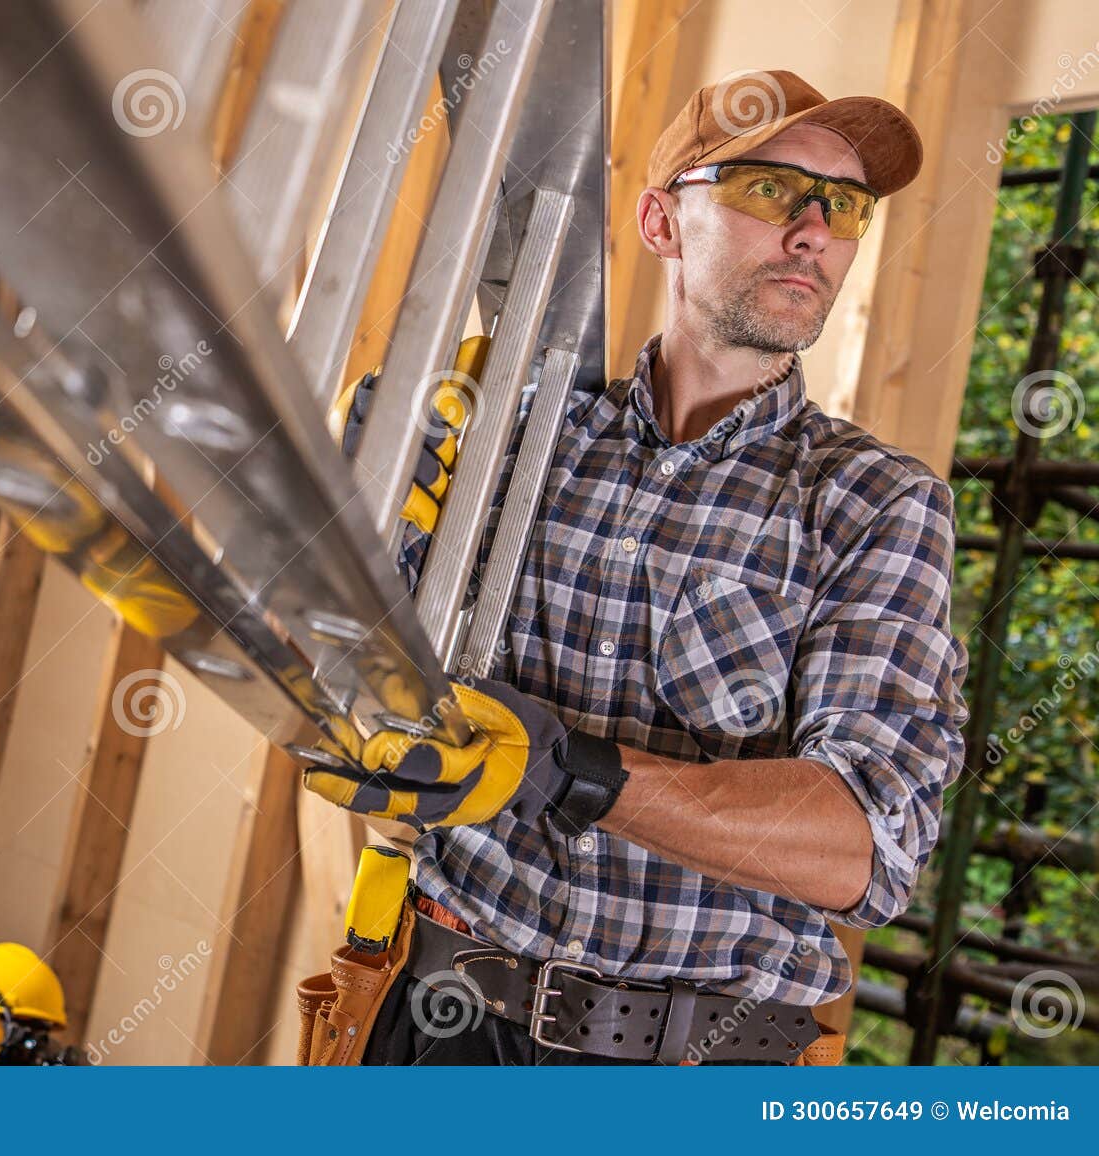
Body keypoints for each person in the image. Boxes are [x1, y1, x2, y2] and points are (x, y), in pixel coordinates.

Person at [303, 70, 969, 1066]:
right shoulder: (508, 443)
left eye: (843, 206)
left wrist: (568, 769)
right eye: (768, 190)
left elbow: (860, 847)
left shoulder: (873, 503)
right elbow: (343, 701)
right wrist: (348, 525)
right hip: (438, 1030)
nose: (813, 232)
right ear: (661, 221)